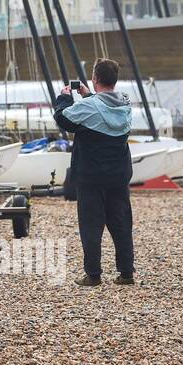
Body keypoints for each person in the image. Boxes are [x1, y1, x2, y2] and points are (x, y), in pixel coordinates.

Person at [53, 57, 135, 286]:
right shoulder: (125, 104)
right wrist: (89, 95)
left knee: (91, 226)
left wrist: (64, 97)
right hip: (119, 175)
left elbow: (63, 118)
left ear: (95, 78)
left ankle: (93, 275)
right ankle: (126, 273)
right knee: (121, 224)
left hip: (91, 176)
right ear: (115, 80)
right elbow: (102, 111)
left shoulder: (88, 107)